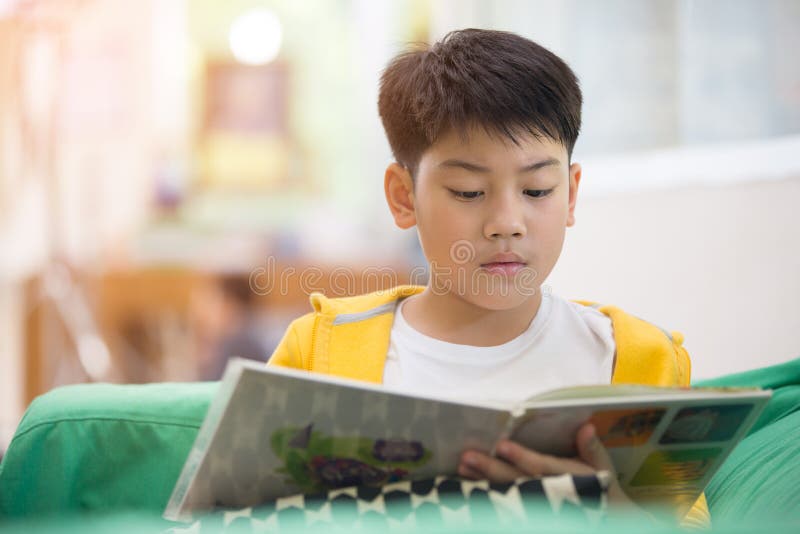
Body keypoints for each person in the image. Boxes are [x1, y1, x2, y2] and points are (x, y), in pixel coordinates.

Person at [269, 29, 708, 527]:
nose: (507, 221)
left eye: (538, 190)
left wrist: (619, 518)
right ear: (403, 197)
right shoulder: (323, 353)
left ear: (571, 194)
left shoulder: (639, 363)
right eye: (469, 191)